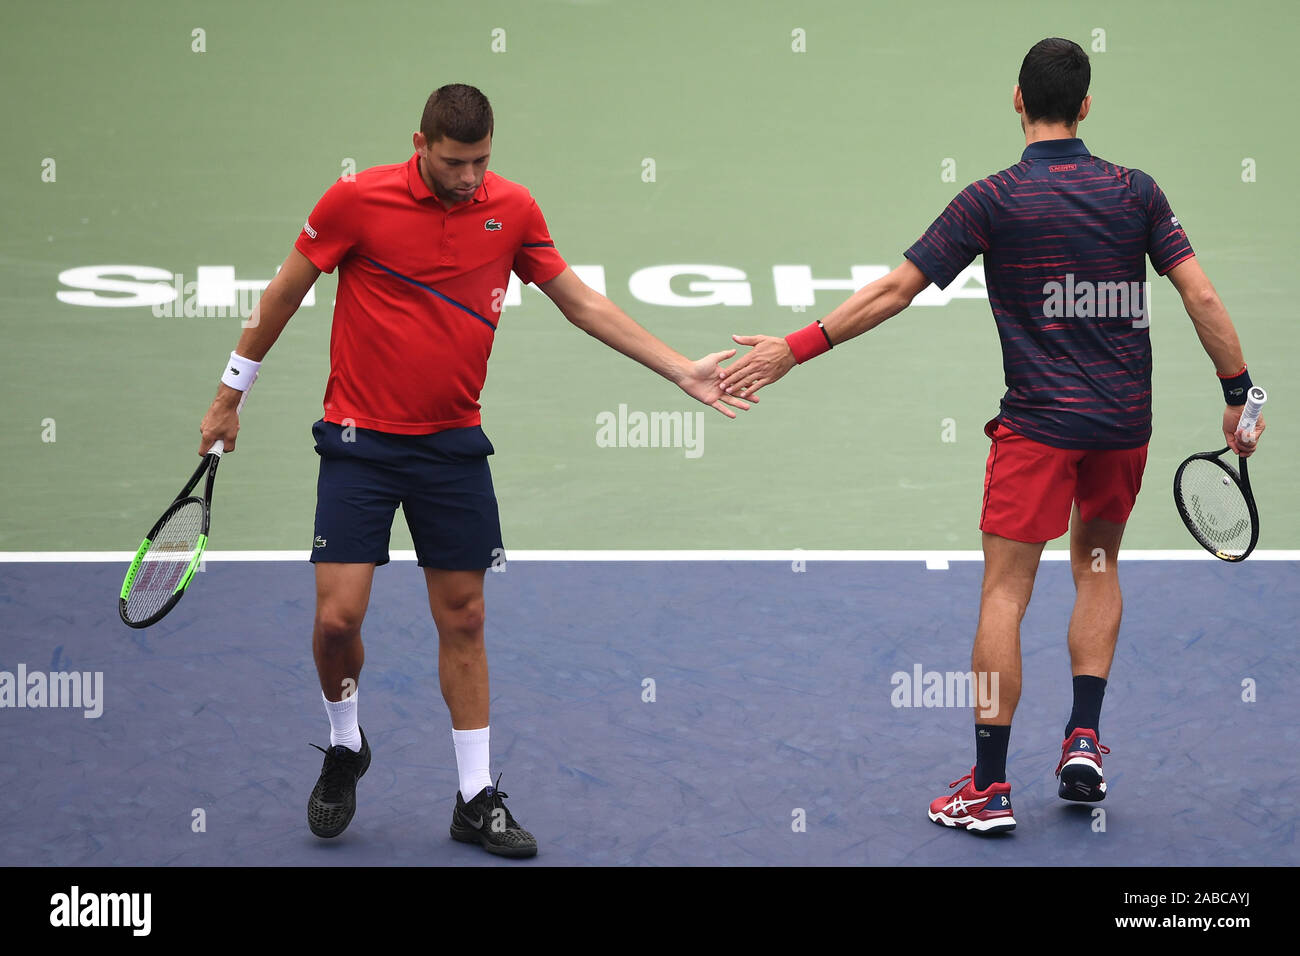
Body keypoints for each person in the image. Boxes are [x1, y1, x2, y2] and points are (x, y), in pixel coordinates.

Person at [718, 38, 1263, 834]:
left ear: (1018, 100)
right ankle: (1084, 738)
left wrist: (793, 351)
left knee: (1005, 593)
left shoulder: (992, 199)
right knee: (1097, 565)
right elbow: (1200, 294)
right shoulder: (1136, 192)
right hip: (1120, 425)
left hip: (1038, 429)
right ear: (1085, 106)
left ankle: (989, 787)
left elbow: (895, 290)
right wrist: (1239, 391)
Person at [198, 84, 750, 857]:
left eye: (482, 161)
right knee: (337, 621)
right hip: (359, 443)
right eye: (455, 162)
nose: (469, 177)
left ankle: (474, 797)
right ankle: (345, 744)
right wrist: (229, 398)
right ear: (419, 142)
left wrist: (678, 371)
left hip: (452, 446)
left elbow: (581, 303)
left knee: (464, 619)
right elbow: (283, 295)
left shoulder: (512, 209)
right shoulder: (356, 201)